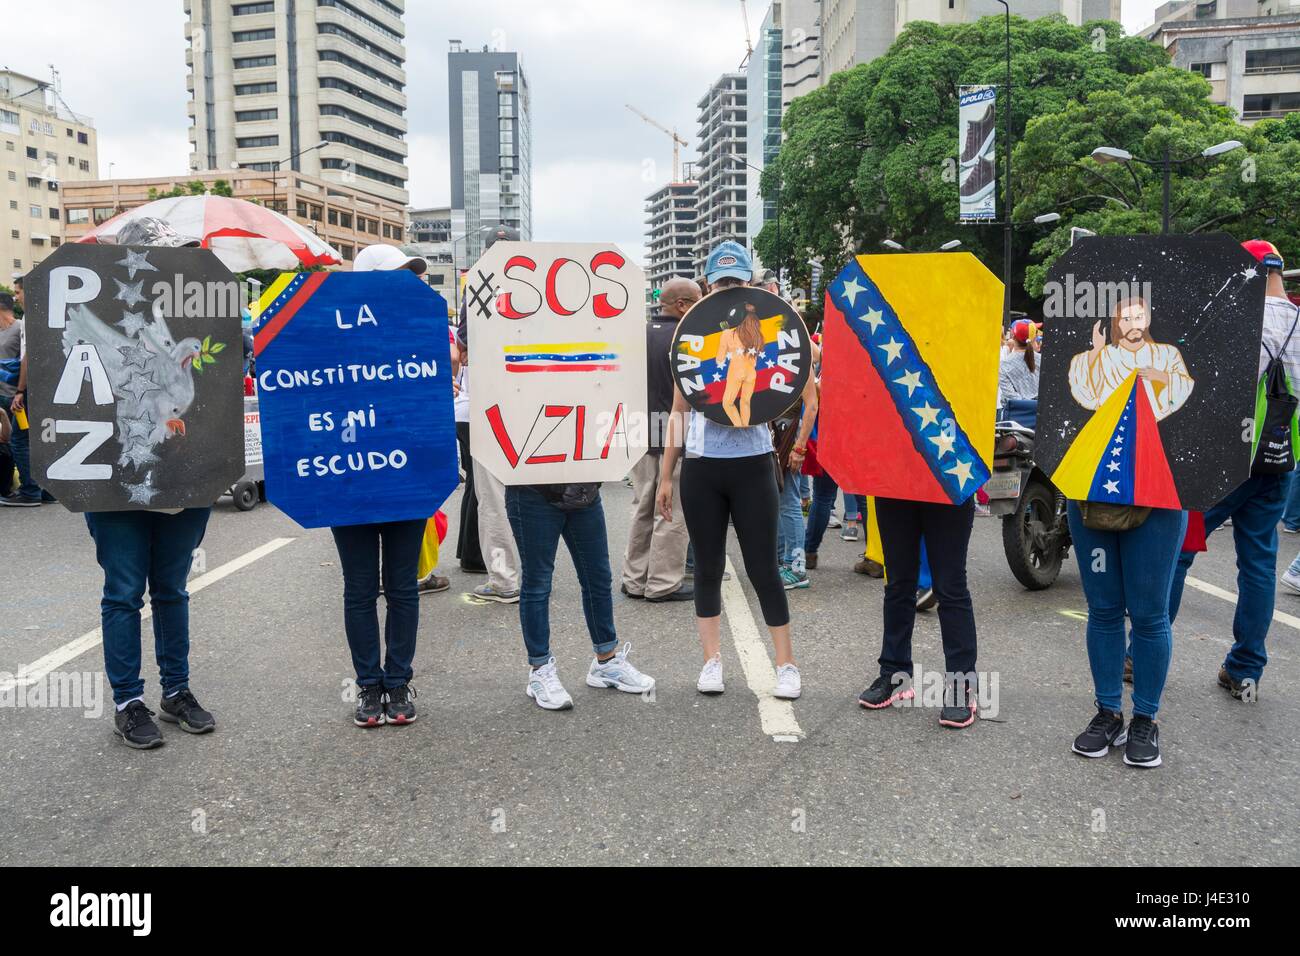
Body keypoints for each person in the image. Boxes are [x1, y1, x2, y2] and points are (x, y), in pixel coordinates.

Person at [78, 217, 216, 749]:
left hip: (185, 479)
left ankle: (176, 690)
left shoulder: (200, 308)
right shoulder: (106, 310)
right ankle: (128, 700)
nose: (172, 263)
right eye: (161, 254)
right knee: (122, 593)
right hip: (119, 479)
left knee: (173, 590)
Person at [657, 240, 801, 699]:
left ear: (749, 282)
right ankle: (711, 662)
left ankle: (786, 666)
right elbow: (679, 412)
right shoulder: (693, 339)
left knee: (764, 568)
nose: (728, 289)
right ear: (707, 286)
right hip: (703, 469)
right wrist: (665, 476)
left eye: (736, 281)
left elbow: (794, 386)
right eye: (720, 282)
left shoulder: (769, 331)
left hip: (754, 465)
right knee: (706, 568)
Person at [1168, 239, 1300, 702]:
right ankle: (1245, 670)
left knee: (1178, 553)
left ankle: (1141, 654)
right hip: (1280, 462)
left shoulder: (1233, 320)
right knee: (1260, 566)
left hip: (1223, 463)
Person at [328, 243, 437, 727]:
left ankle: (398, 682)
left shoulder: (419, 329)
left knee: (402, 587)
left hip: (407, 478)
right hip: (349, 481)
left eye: (411, 276)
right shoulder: (328, 333)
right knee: (358, 589)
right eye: (398, 275)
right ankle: (368, 686)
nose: (408, 283)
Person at [509, 480, 656, 711]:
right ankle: (540, 669)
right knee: (537, 583)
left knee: (597, 577)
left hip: (584, 491)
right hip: (532, 491)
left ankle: (606, 661)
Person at [621, 276, 697, 602]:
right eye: (697, 301)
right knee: (670, 509)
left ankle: (634, 579)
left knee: (642, 506)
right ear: (681, 305)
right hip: (671, 434)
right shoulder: (685, 338)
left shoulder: (636, 336)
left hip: (639, 430)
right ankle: (663, 583)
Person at [1, 281, 42, 507]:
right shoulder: (38, 315)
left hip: (25, 391)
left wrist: (20, 390)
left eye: (18, 292)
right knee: (32, 439)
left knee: (19, 440)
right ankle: (44, 490)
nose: (16, 297)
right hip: (35, 389)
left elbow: (28, 358)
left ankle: (30, 491)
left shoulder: (28, 319)